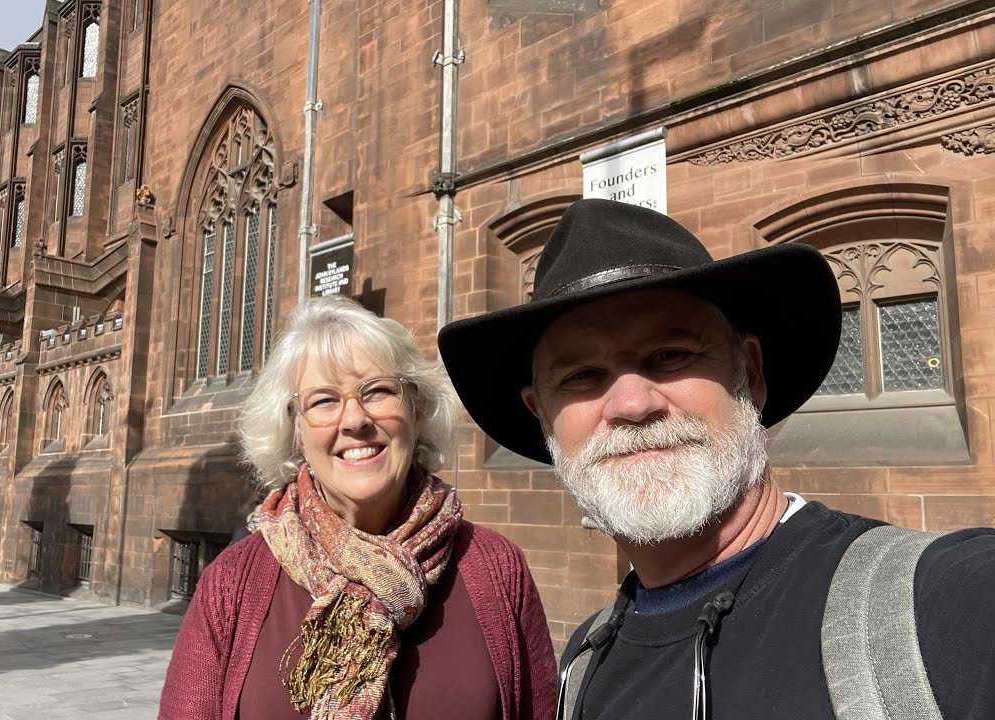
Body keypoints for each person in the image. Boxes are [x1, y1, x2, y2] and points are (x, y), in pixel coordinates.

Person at [437, 199, 995, 720]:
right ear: (543, 416)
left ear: (749, 374)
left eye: (670, 355)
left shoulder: (942, 604)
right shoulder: (585, 663)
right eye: (583, 376)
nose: (633, 405)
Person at [159, 295, 558, 720]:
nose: (354, 420)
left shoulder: (496, 568)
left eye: (378, 391)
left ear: (417, 409)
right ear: (295, 429)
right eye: (324, 401)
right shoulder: (232, 581)